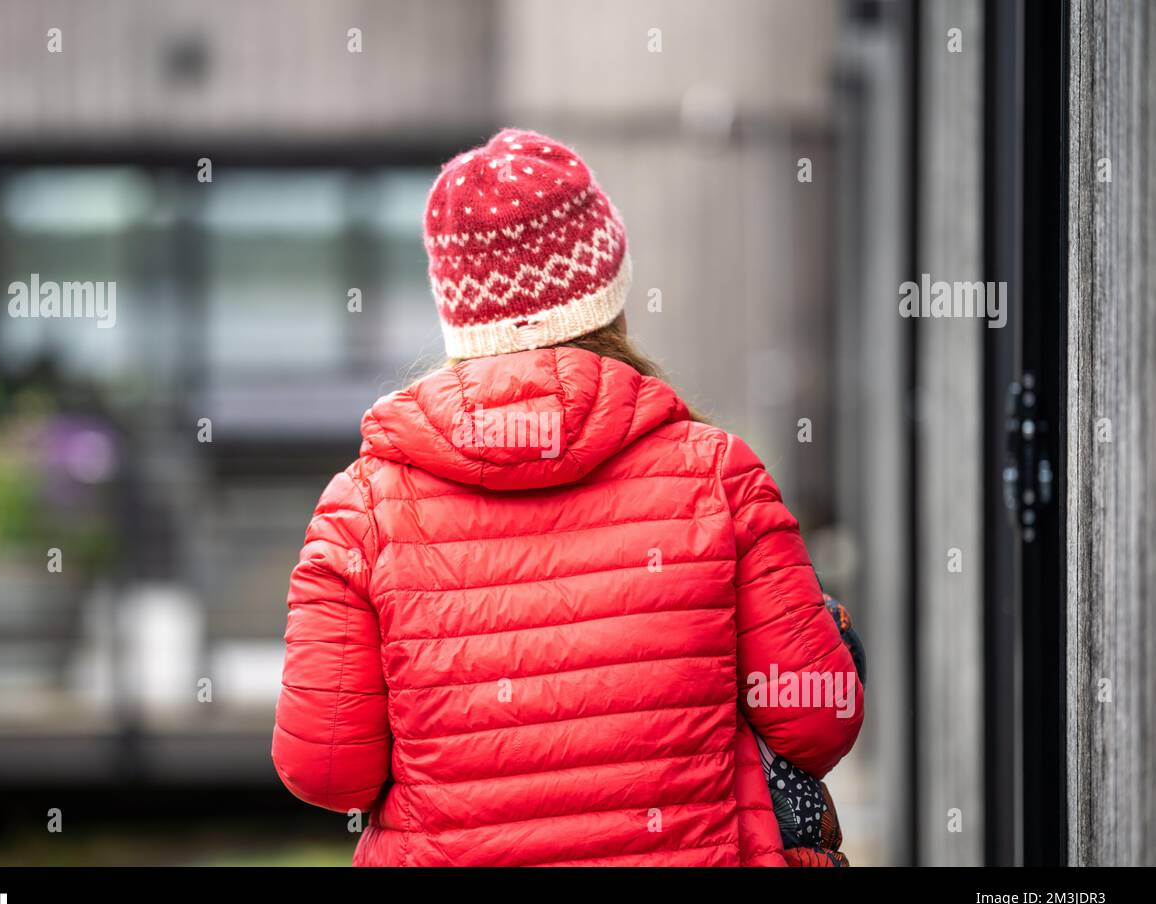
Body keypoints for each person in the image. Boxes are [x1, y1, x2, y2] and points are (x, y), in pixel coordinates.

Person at [272, 129, 864, 866]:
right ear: (608, 292)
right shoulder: (717, 475)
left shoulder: (361, 511)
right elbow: (815, 719)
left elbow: (327, 769)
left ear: (458, 311)